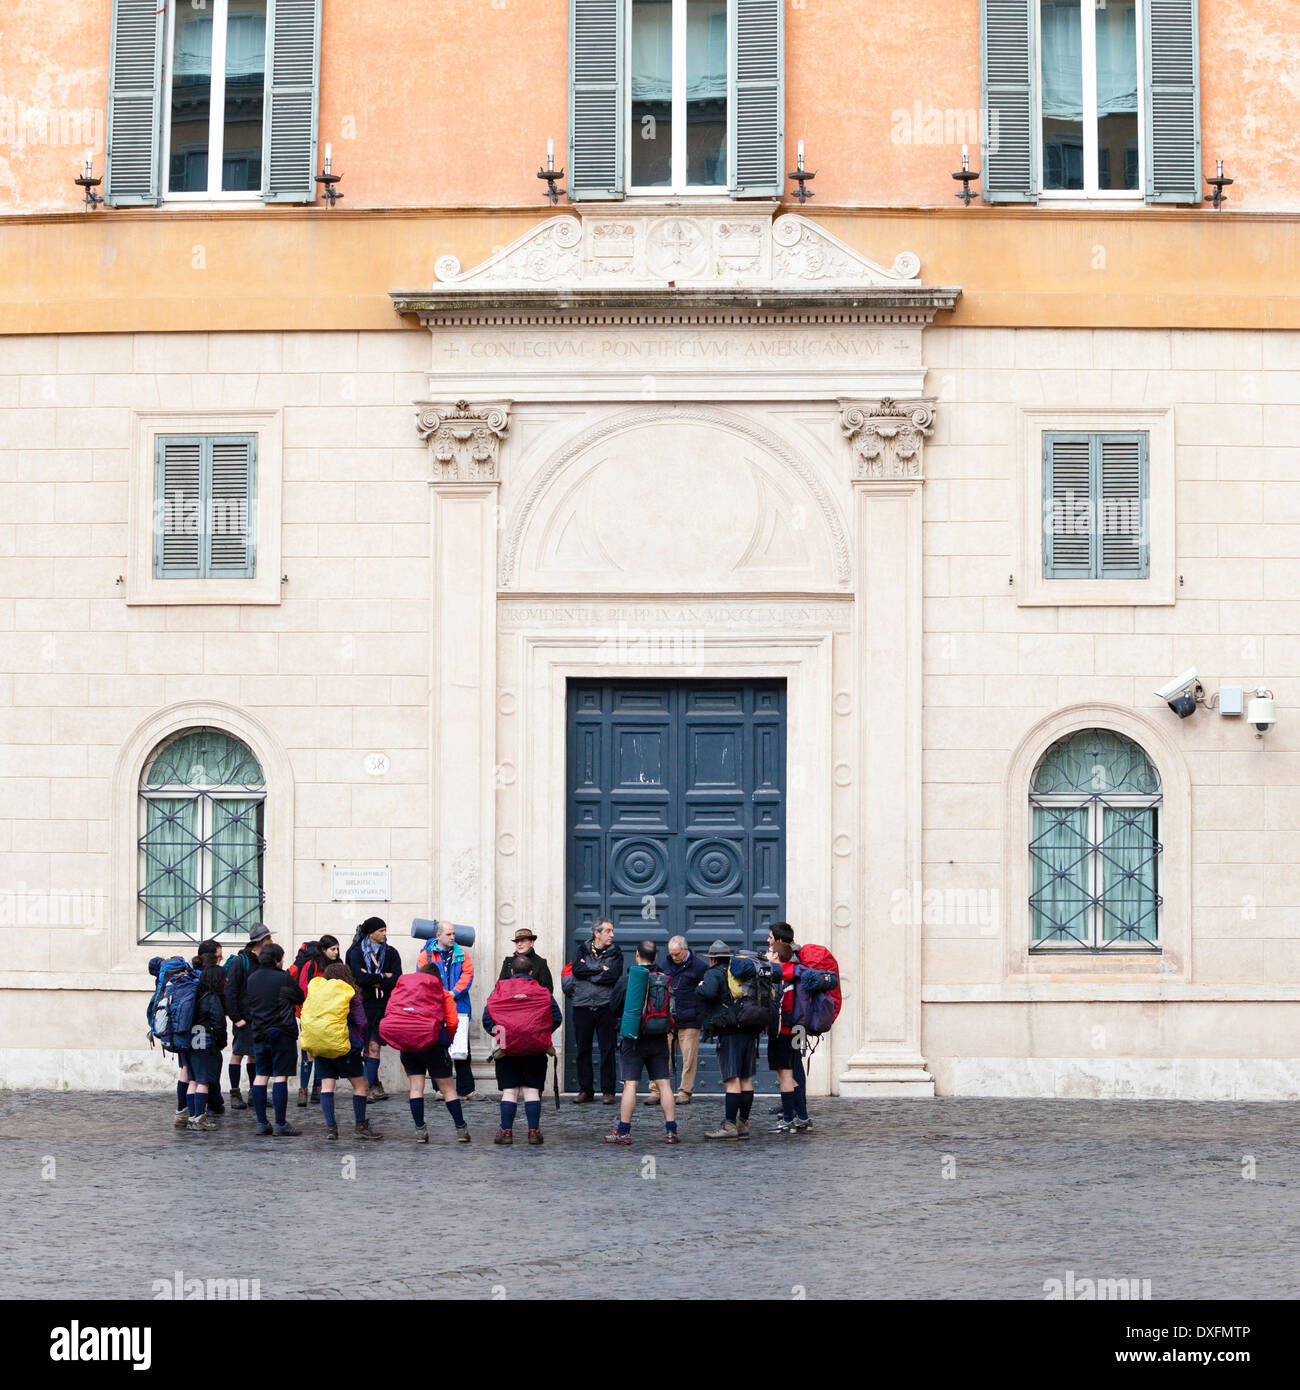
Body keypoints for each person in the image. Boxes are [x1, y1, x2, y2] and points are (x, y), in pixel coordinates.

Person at [482, 956, 562, 1146]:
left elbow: (488, 1020)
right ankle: (533, 1133)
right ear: (531, 972)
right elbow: (557, 1018)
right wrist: (539, 1033)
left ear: (511, 972)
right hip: (535, 1050)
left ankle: (507, 1132)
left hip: (507, 1050)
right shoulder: (543, 992)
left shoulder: (499, 992)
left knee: (509, 1092)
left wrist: (502, 1034)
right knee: (532, 1091)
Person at [605, 941, 678, 1144]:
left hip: (633, 1039)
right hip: (659, 1038)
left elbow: (613, 1006)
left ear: (637, 955)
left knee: (631, 1084)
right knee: (664, 1084)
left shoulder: (628, 979)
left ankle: (624, 1131)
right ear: (656, 957)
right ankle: (671, 1131)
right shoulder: (664, 979)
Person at [398, 961, 471, 1144]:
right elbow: (453, 1022)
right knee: (448, 1089)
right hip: (433, 1046)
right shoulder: (443, 994)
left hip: (408, 1045)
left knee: (416, 1088)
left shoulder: (407, 994)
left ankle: (420, 1131)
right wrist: (448, 1038)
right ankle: (461, 1129)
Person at [698, 939, 763, 1141]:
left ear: (713, 960)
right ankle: (743, 1123)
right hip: (749, 1029)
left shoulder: (714, 973)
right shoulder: (743, 972)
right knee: (745, 1079)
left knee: (732, 1079)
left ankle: (729, 1125)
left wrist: (698, 988)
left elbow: (708, 993)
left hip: (730, 1032)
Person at [314, 961, 382, 1141]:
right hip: (346, 1047)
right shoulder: (349, 993)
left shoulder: (318, 994)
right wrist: (358, 1042)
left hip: (322, 1045)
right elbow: (362, 1022)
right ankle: (360, 1126)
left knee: (327, 1086)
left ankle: (331, 1128)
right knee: (361, 1085)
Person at [243, 941, 305, 1137]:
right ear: (277, 960)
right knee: (280, 1076)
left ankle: (262, 1123)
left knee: (261, 1075)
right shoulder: (284, 977)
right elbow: (299, 997)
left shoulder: (252, 978)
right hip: (281, 1032)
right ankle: (280, 1123)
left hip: (259, 1032)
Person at [417, 920, 475, 1099]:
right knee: (439, 1050)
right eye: (448, 934)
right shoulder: (426, 955)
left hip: (459, 1006)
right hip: (436, 1006)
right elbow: (423, 977)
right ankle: (439, 1089)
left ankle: (466, 1089)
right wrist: (443, 994)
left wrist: (455, 992)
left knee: (462, 1050)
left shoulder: (462, 954)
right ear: (438, 936)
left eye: (453, 934)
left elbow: (468, 975)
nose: (452, 938)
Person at [345, 917, 401, 1103]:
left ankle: (368, 1086)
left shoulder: (391, 953)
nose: (384, 934)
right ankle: (371, 1083)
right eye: (380, 931)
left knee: (375, 1047)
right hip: (363, 1005)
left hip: (383, 1006)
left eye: (385, 930)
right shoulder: (355, 953)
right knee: (362, 1047)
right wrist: (383, 976)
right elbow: (358, 979)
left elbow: (396, 979)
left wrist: (373, 977)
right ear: (370, 933)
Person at [569, 916, 624, 1105]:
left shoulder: (616, 953)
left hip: (605, 1006)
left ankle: (608, 1091)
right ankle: (586, 1090)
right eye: (608, 931)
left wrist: (590, 970)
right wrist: (600, 968)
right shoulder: (581, 949)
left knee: (607, 1049)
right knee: (583, 1049)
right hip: (582, 1005)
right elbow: (577, 970)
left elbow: (613, 975)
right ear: (596, 933)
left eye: (612, 931)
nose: (612, 935)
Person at [652, 934, 708, 1107]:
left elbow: (706, 990)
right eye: (671, 954)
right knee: (661, 1056)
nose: (674, 957)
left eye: (677, 954)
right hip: (668, 1019)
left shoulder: (699, 967)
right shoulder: (665, 964)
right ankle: (656, 1091)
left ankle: (684, 1092)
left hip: (690, 1018)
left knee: (688, 1058)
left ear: (685, 950)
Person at [224, 922, 272, 1110]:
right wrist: (236, 1017)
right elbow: (231, 991)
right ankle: (235, 1092)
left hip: (258, 1018)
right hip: (244, 1018)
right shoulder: (240, 962)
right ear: (261, 941)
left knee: (254, 1056)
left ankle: (255, 1092)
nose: (271, 941)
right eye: (269, 938)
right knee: (238, 1054)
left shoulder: (263, 961)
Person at [765, 922, 806, 1135]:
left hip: (782, 1032)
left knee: (786, 1076)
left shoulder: (778, 976)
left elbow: (779, 1007)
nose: (767, 951)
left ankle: (789, 1118)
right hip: (794, 1030)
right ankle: (802, 1115)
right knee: (792, 1073)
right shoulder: (794, 971)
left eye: (770, 951)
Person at [183, 941, 228, 1132]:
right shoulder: (212, 997)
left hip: (190, 1040)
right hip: (205, 1041)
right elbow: (218, 1022)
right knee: (203, 1082)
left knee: (193, 1080)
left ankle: (192, 1116)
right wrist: (221, 1041)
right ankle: (199, 1119)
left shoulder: (195, 993)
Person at [290, 936, 336, 1107]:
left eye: (337, 949)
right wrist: (305, 1014)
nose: (336, 953)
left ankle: (318, 1088)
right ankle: (303, 1090)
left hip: (329, 1015)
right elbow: (303, 989)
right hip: (310, 1014)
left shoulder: (336, 966)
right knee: (308, 1052)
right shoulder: (311, 965)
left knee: (322, 1052)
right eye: (333, 949)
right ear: (323, 950)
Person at [497, 927, 553, 991]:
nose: (519, 944)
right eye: (517, 942)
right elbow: (499, 986)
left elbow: (548, 990)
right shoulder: (508, 962)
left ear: (531, 942)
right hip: (510, 1000)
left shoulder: (540, 963)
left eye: (523, 941)